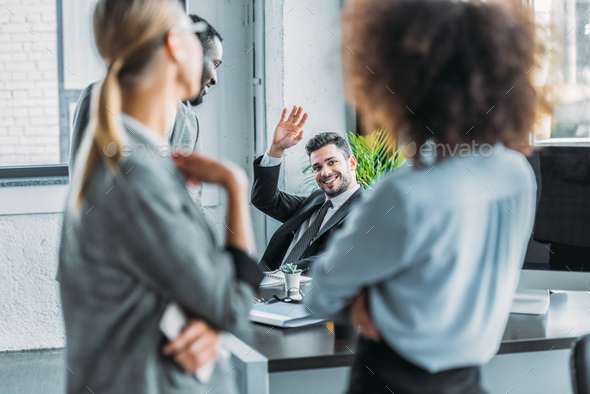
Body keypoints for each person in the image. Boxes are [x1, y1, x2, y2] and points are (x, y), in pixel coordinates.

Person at [305, 0, 540, 393]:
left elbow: (320, 296)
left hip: (391, 378)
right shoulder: (516, 174)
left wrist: (365, 297)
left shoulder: (405, 192)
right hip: (469, 380)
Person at [58, 1, 263, 393]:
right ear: (175, 44)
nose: (213, 73)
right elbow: (233, 308)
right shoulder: (135, 174)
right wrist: (236, 187)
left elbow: (174, 262)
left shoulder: (136, 156)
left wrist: (203, 319)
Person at [69, 13, 223, 169]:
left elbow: (193, 190)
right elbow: (81, 176)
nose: (215, 79)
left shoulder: (191, 123)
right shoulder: (98, 98)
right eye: (214, 64)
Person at [252, 107, 365, 272]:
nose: (325, 172)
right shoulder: (316, 200)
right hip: (268, 287)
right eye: (317, 167)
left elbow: (341, 255)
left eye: (332, 162)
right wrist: (277, 149)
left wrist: (288, 271)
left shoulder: (367, 210)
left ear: (352, 163)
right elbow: (265, 199)